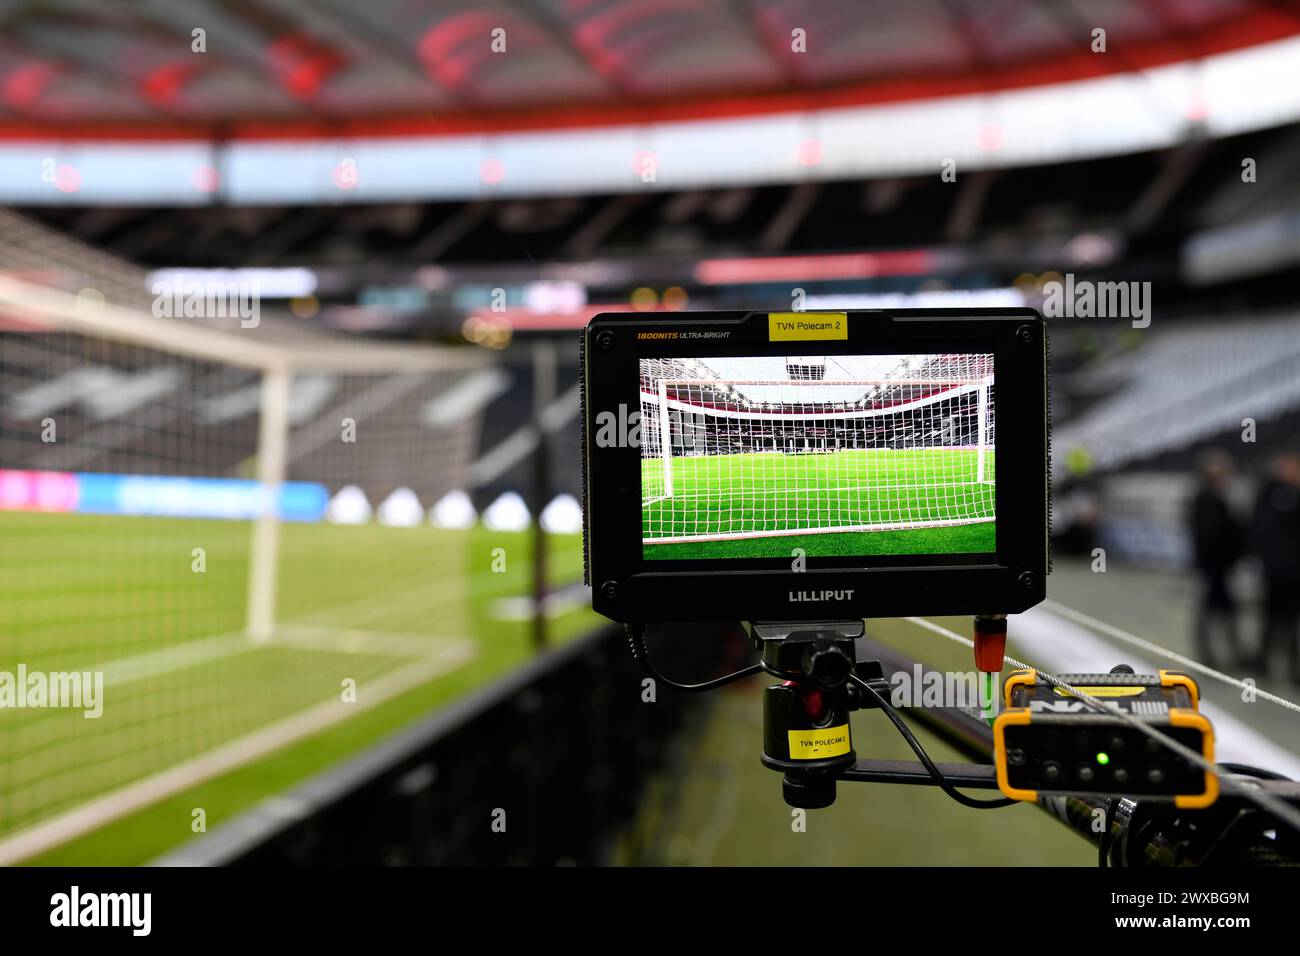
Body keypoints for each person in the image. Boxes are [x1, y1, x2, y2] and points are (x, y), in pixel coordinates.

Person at [1187, 450, 1243, 669]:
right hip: (1213, 565)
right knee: (1210, 610)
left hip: (1219, 565)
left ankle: (1231, 652)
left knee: (1224, 609)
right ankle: (1210, 655)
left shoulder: (1217, 498)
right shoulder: (1207, 499)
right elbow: (1211, 535)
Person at [1250, 452, 1300, 682]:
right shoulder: (1270, 493)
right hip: (1276, 570)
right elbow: (1259, 526)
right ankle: (1263, 661)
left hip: (1294, 571)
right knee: (1271, 617)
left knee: (1292, 621)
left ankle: (1293, 667)